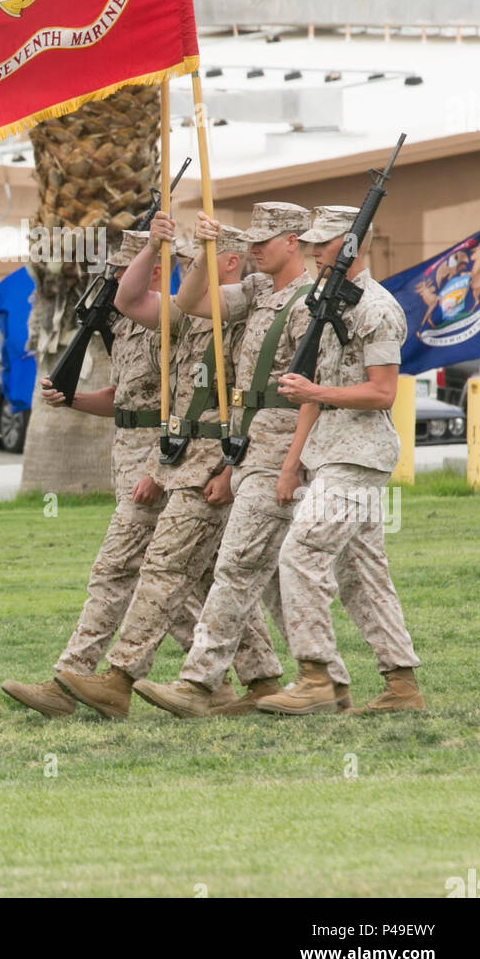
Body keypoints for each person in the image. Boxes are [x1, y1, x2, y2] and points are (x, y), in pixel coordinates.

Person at [131, 202, 352, 719]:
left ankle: (197, 684)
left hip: (281, 447)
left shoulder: (312, 303)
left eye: (265, 241)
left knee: (234, 567)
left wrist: (293, 464)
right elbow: (191, 304)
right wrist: (207, 254)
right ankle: (328, 684)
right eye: (249, 241)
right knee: (272, 577)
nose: (254, 248)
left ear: (293, 241)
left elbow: (312, 395)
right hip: (248, 445)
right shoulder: (256, 292)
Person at [56, 226, 286, 720]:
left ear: (228, 263)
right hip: (180, 460)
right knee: (199, 574)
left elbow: (250, 397)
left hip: (217, 460)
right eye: (181, 260)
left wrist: (230, 468)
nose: (186, 270)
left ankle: (119, 679)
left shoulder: (249, 308)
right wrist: (150, 244)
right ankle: (262, 679)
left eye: (195, 260)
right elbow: (130, 298)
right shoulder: (185, 315)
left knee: (168, 570)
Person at [1, 230, 222, 718]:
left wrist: (157, 470)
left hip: (162, 458)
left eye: (124, 269)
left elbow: (184, 405)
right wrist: (74, 399)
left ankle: (73, 677)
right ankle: (236, 679)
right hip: (131, 457)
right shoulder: (124, 327)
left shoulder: (174, 323)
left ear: (158, 271)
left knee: (118, 571)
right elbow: (125, 399)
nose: (116, 279)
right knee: (191, 582)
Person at [255, 206, 425, 715]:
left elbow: (382, 393)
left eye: (323, 243)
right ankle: (401, 686)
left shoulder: (378, 309)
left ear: (352, 245)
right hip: (327, 452)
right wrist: (293, 461)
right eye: (309, 242)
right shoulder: (324, 303)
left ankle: (316, 677)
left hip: (359, 454)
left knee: (300, 553)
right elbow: (312, 393)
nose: (311, 251)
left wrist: (315, 390)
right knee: (362, 574)